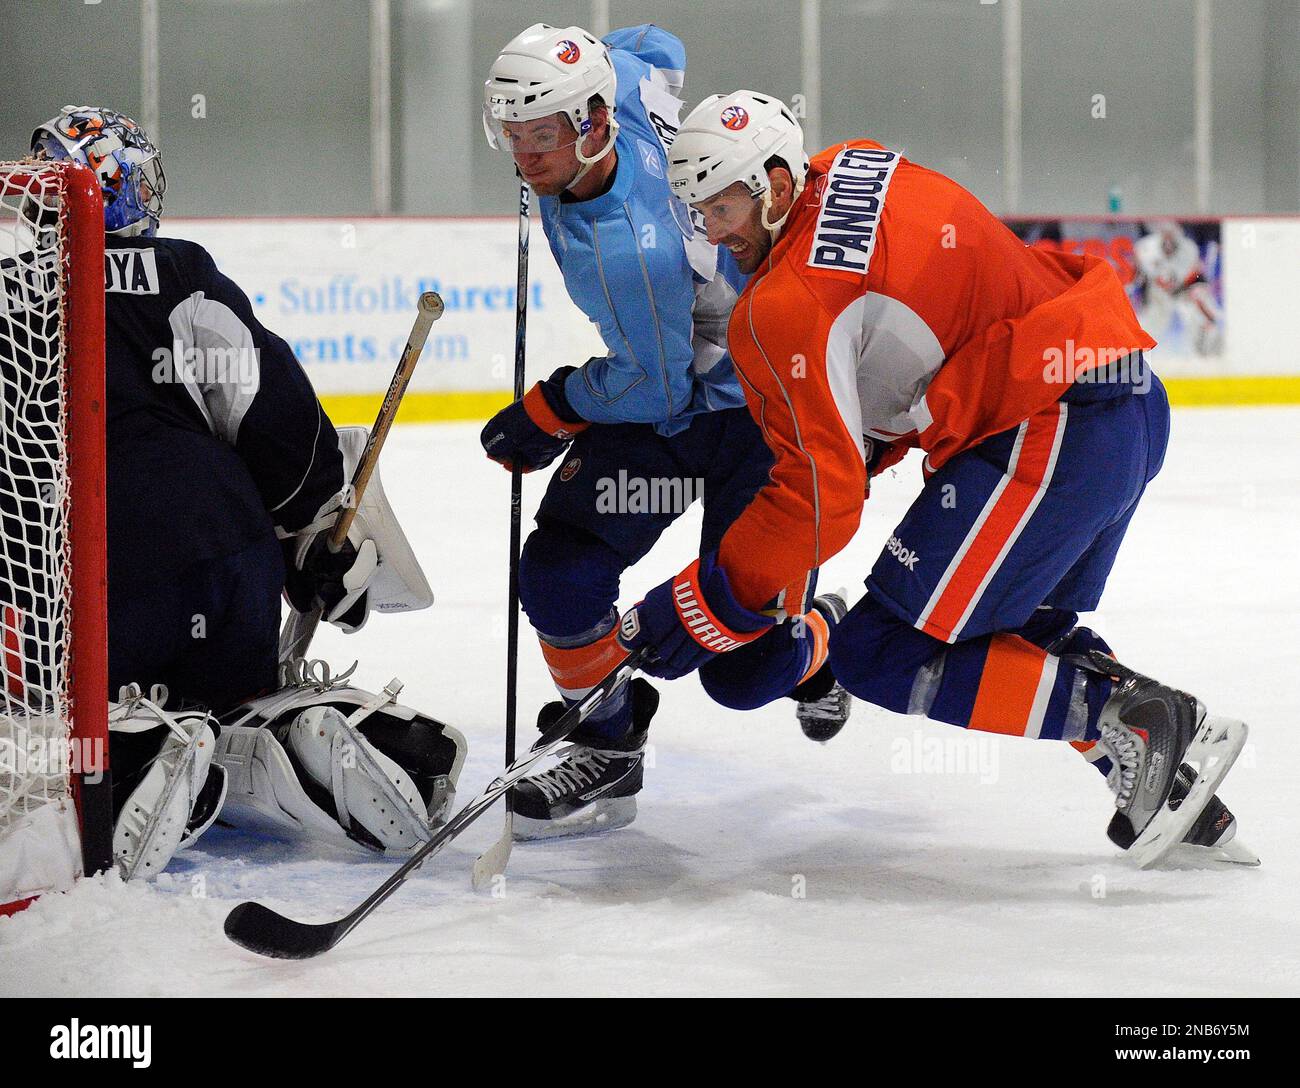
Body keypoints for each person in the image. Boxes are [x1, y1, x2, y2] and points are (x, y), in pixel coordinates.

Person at [616, 90, 1251, 864]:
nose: (714, 235)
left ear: (778, 186)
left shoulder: (778, 308)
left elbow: (823, 499)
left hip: (1049, 428)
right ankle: (1176, 792)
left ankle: (1139, 722)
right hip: (1123, 396)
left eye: (725, 209)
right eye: (698, 214)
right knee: (1012, 634)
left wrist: (704, 602)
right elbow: (905, 329)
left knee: (877, 651)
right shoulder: (854, 159)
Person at [15, 106, 463, 874]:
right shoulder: (184, 273)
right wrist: (316, 534)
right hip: (223, 543)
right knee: (234, 693)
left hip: (83, 562)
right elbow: (275, 417)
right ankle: (287, 730)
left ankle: (134, 754)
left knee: (61, 716)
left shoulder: (14, 292)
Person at [478, 26, 850, 841]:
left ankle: (824, 635)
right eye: (512, 132)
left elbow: (651, 385)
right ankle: (609, 743)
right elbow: (661, 44)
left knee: (745, 664)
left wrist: (550, 409)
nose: (526, 155)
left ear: (595, 124)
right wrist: (581, 60)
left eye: (543, 135)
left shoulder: (632, 248)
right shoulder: (630, 87)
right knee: (560, 576)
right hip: (676, 406)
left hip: (749, 417)